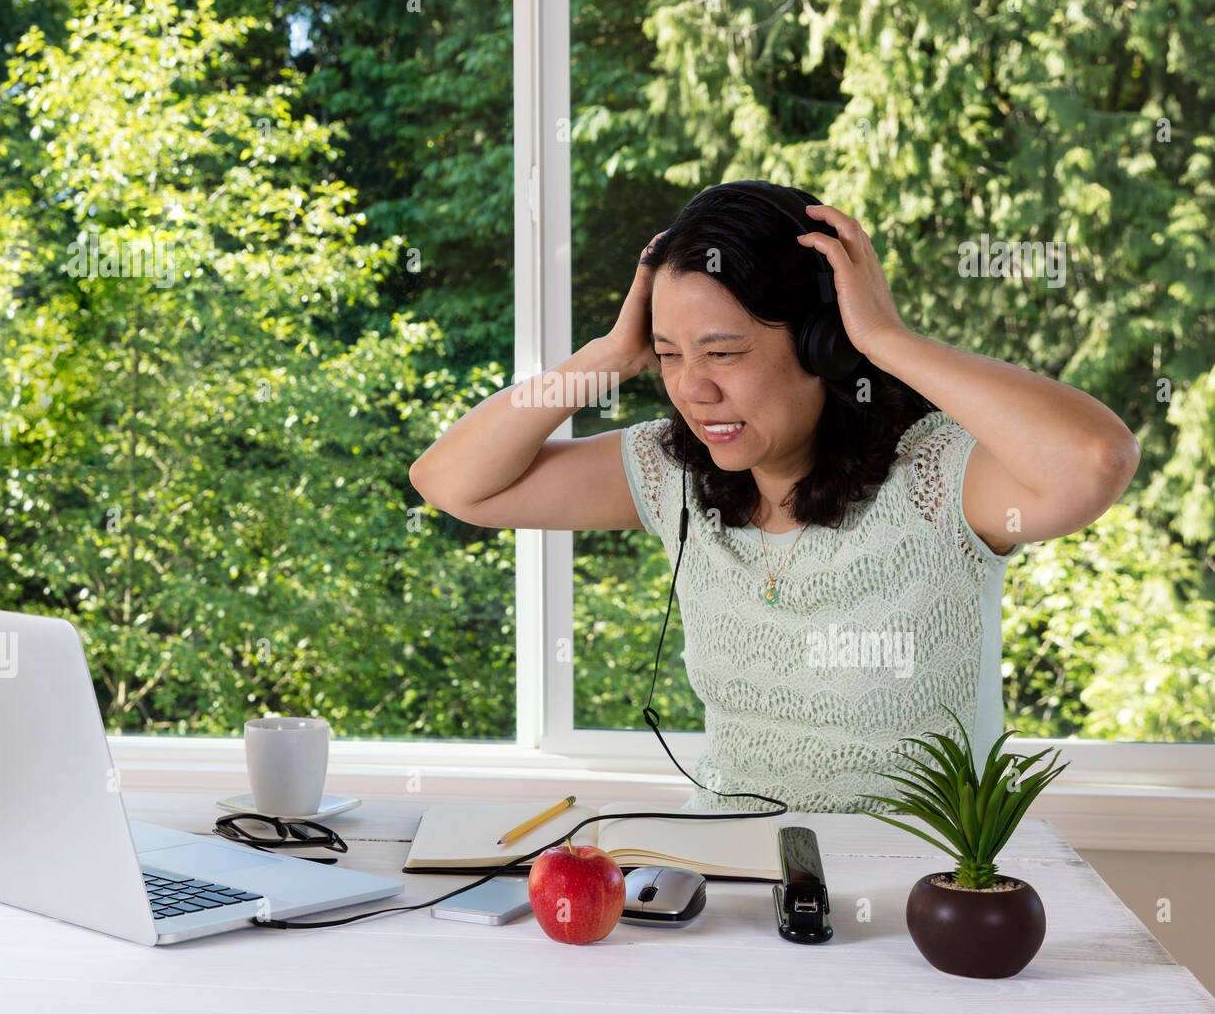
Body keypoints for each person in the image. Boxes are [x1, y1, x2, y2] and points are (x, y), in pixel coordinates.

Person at [408, 181, 1140, 813]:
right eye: (669, 356)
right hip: (733, 893)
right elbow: (451, 483)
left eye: (723, 352)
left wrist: (885, 337)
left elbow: (1095, 458)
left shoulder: (936, 475)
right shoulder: (676, 473)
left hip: (918, 903)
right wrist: (609, 356)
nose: (694, 390)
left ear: (824, 345)